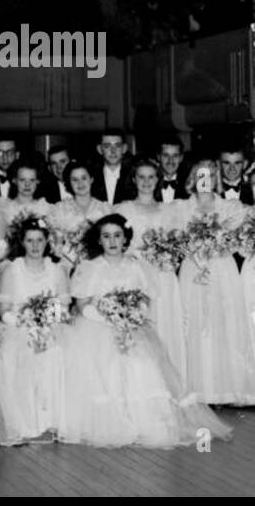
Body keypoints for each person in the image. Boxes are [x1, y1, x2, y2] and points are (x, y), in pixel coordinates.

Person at [59, 214, 232, 448]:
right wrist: (111, 319)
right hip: (97, 329)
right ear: (99, 241)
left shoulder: (136, 266)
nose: (112, 241)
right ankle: (114, 425)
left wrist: (131, 316)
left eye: (117, 236)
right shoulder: (90, 268)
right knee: (106, 371)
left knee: (142, 368)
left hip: (132, 328)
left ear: (125, 238)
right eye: (106, 236)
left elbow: (144, 300)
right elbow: (82, 305)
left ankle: (144, 425)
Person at [174, 160, 255, 405]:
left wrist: (219, 242)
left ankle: (225, 389)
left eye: (210, 175)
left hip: (222, 269)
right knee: (195, 324)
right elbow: (175, 239)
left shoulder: (230, 207)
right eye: (200, 175)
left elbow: (240, 238)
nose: (205, 180)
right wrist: (194, 248)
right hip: (193, 269)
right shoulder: (181, 207)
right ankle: (198, 389)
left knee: (223, 322)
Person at [0, 216, 69, 445]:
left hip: (49, 326)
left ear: (47, 242)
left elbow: (62, 307)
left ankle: (48, 422)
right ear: (22, 243)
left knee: (55, 353)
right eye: (30, 240)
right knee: (18, 355)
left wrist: (45, 325)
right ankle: (24, 424)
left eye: (40, 240)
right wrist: (27, 324)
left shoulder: (57, 270)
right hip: (17, 327)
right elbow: (4, 310)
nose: (35, 246)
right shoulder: (11, 270)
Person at [116, 159, 186, 360]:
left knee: (165, 325)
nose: (146, 182)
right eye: (141, 177)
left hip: (163, 276)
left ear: (158, 180)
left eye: (151, 177)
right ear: (134, 180)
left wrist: (167, 255)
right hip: (136, 277)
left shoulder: (170, 210)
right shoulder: (123, 209)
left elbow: (179, 244)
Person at [49, 160, 110, 269]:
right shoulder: (59, 209)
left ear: (91, 179)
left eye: (84, 178)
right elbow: (53, 242)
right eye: (75, 180)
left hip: (100, 268)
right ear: (69, 183)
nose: (80, 183)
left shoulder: (105, 209)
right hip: (68, 268)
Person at [91, 132, 133, 205]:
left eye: (117, 146)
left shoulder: (134, 176)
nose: (113, 151)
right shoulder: (91, 177)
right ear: (99, 149)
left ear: (124, 148)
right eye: (107, 146)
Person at [156, 138, 189, 204]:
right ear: (158, 157)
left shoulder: (189, 185)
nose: (170, 160)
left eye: (175, 156)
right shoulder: (149, 184)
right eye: (166, 155)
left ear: (181, 158)